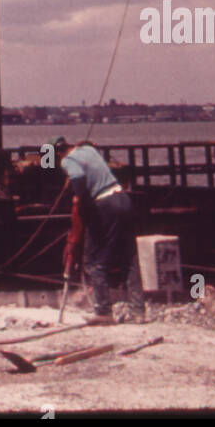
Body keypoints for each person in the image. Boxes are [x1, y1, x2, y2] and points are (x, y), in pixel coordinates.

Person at [53, 136, 146, 324]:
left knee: (95, 260)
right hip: (123, 199)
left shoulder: (67, 160)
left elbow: (79, 177)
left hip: (105, 204)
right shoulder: (89, 151)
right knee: (129, 258)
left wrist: (81, 199)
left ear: (57, 153)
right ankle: (138, 312)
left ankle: (103, 311)